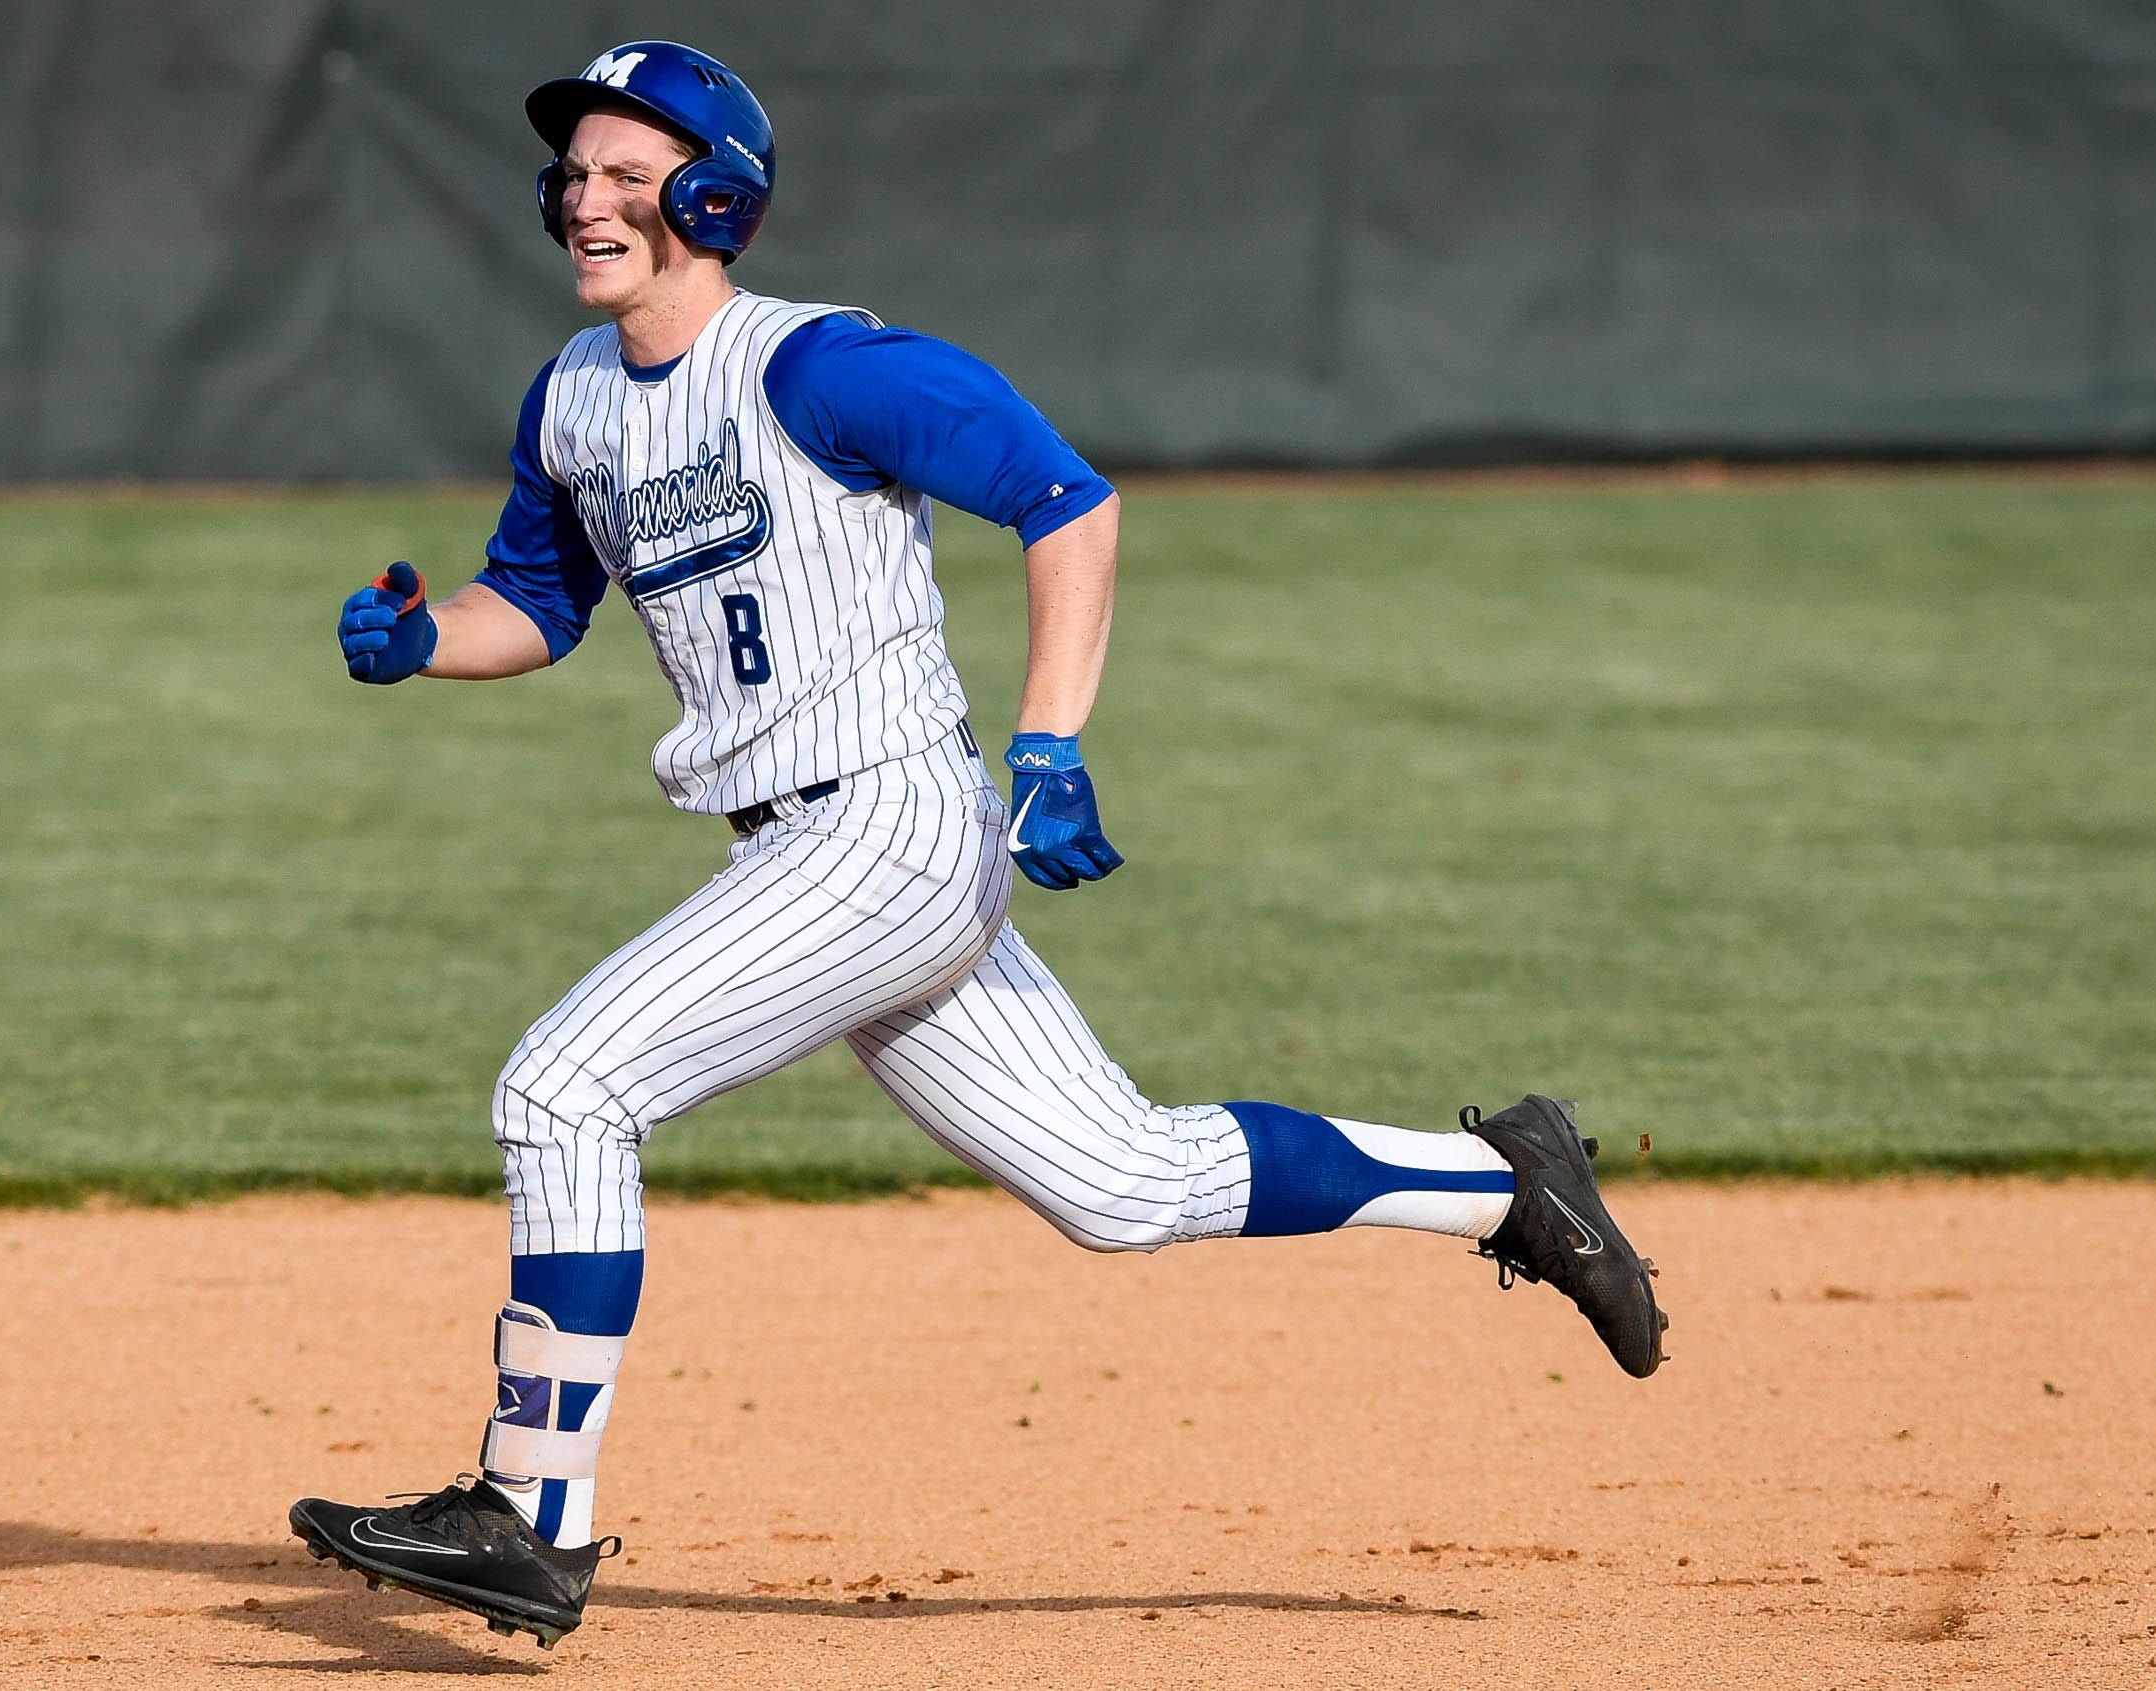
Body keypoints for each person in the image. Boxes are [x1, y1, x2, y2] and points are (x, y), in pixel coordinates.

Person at [289, 41, 1667, 1649]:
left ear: (713, 194)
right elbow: (534, 603)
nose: (581, 200)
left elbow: (1064, 500)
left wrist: (1051, 743)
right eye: (570, 175)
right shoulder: (574, 400)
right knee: (1119, 1181)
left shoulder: (824, 369)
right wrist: (417, 644)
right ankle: (1502, 1181)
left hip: (886, 825)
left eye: (621, 172)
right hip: (804, 856)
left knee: (565, 1085)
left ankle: (531, 1516)